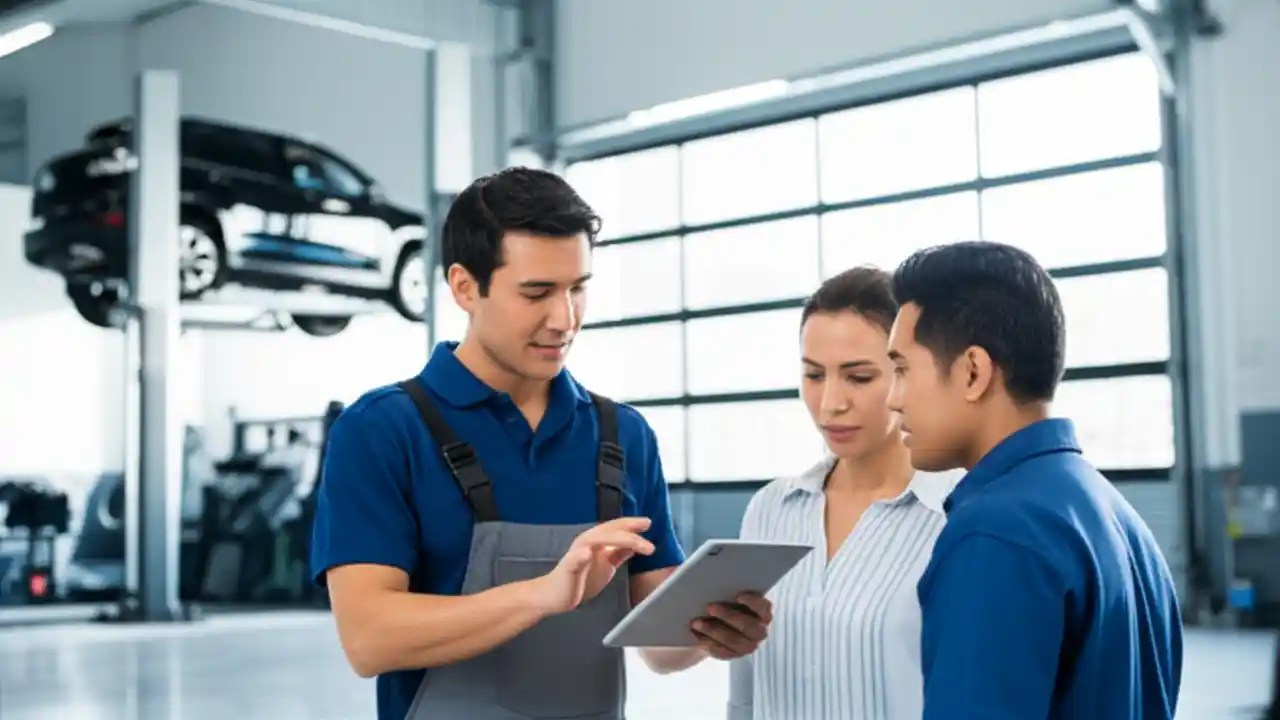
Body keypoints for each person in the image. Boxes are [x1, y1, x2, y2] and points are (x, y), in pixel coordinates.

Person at [310, 167, 772, 720]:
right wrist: (541, 595)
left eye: (578, 288)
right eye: (537, 293)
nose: (564, 319)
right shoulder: (382, 431)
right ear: (464, 287)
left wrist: (711, 631)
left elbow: (659, 647)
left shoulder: (623, 435)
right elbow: (370, 639)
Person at [885, 241, 1183, 719]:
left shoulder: (995, 532)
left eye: (901, 368)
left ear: (973, 372)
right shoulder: (1120, 520)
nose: (893, 399)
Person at [728, 267, 957, 719]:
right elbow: (744, 693)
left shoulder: (955, 514)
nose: (831, 403)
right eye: (814, 375)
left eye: (859, 377)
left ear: (907, 372)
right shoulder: (771, 509)